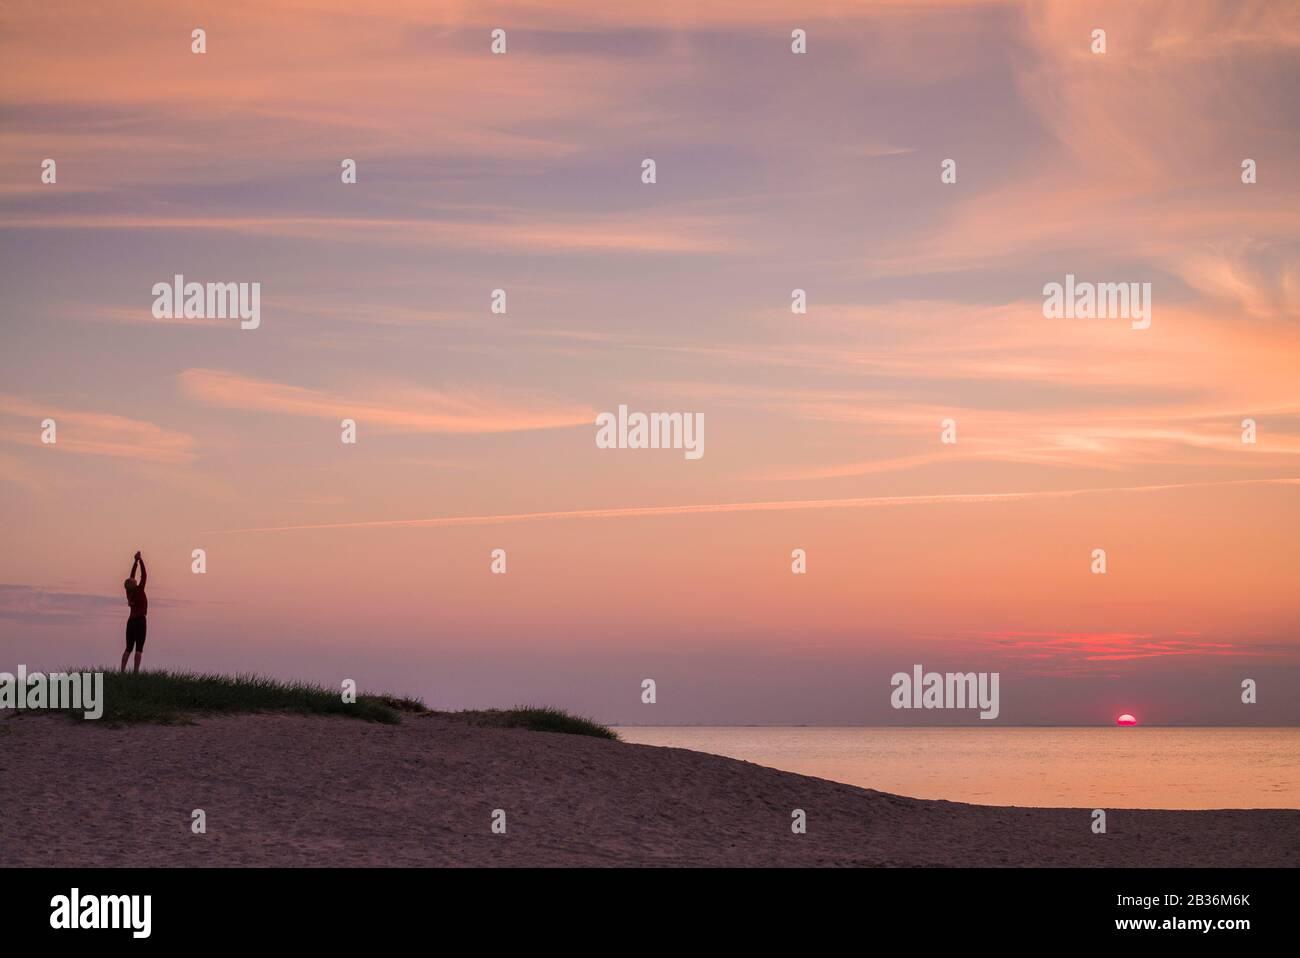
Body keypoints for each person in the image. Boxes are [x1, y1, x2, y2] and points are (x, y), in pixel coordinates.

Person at [121, 551, 148, 673]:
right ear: (134, 584)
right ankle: (135, 673)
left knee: (128, 648)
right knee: (139, 649)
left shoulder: (129, 593)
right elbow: (144, 575)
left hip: (130, 622)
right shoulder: (139, 590)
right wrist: (140, 560)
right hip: (140, 621)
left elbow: (132, 576)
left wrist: (135, 562)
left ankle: (122, 671)